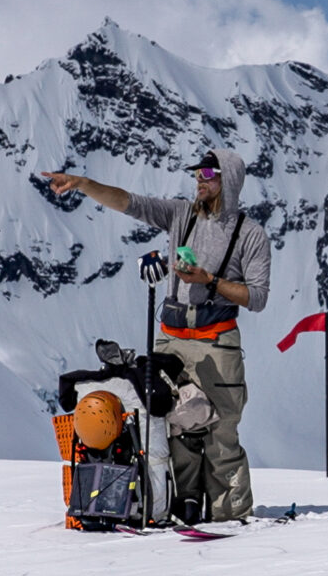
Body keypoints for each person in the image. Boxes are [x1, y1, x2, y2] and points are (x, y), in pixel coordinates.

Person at [41, 150, 271, 523]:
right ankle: (181, 509)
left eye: (208, 173)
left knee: (220, 437)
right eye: (197, 172)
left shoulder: (250, 235)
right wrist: (83, 185)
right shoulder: (181, 215)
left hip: (217, 344)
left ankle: (233, 519)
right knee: (170, 427)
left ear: (227, 180)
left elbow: (257, 297)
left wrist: (209, 280)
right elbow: (129, 203)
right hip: (171, 341)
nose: (199, 178)